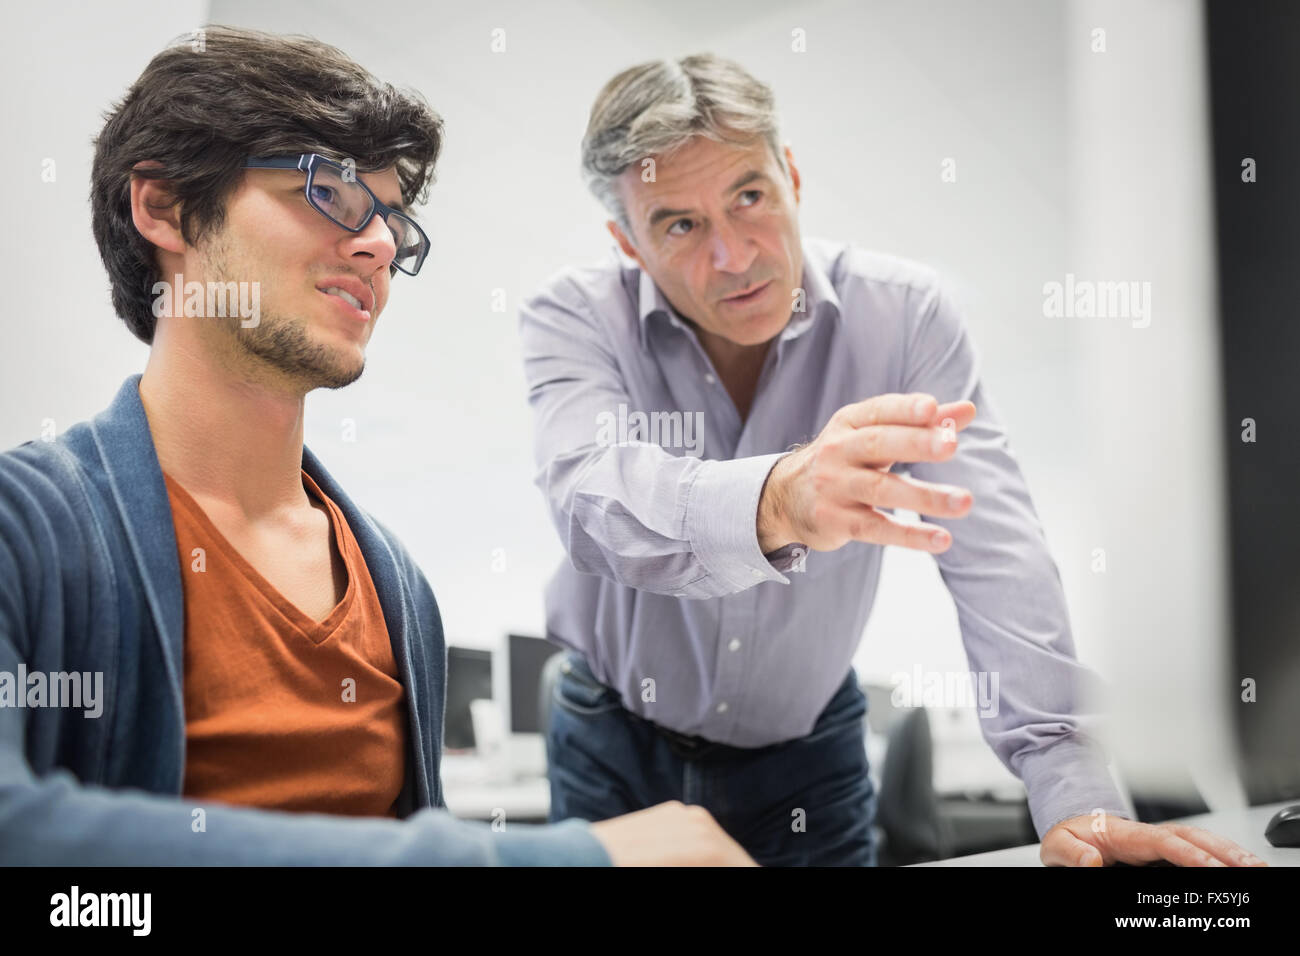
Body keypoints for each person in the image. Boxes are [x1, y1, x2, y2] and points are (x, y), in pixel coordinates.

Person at [0, 26, 754, 867]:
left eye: (393, 218)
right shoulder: (25, 529)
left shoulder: (396, 587)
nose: (382, 245)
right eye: (332, 192)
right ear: (164, 207)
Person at [520, 53, 1266, 867]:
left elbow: (991, 547)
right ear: (626, 242)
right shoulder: (573, 316)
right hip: (609, 737)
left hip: (808, 751)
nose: (735, 255)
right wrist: (777, 497)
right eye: (679, 224)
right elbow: (592, 504)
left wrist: (1074, 791)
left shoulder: (904, 318)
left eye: (749, 195)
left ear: (791, 175)